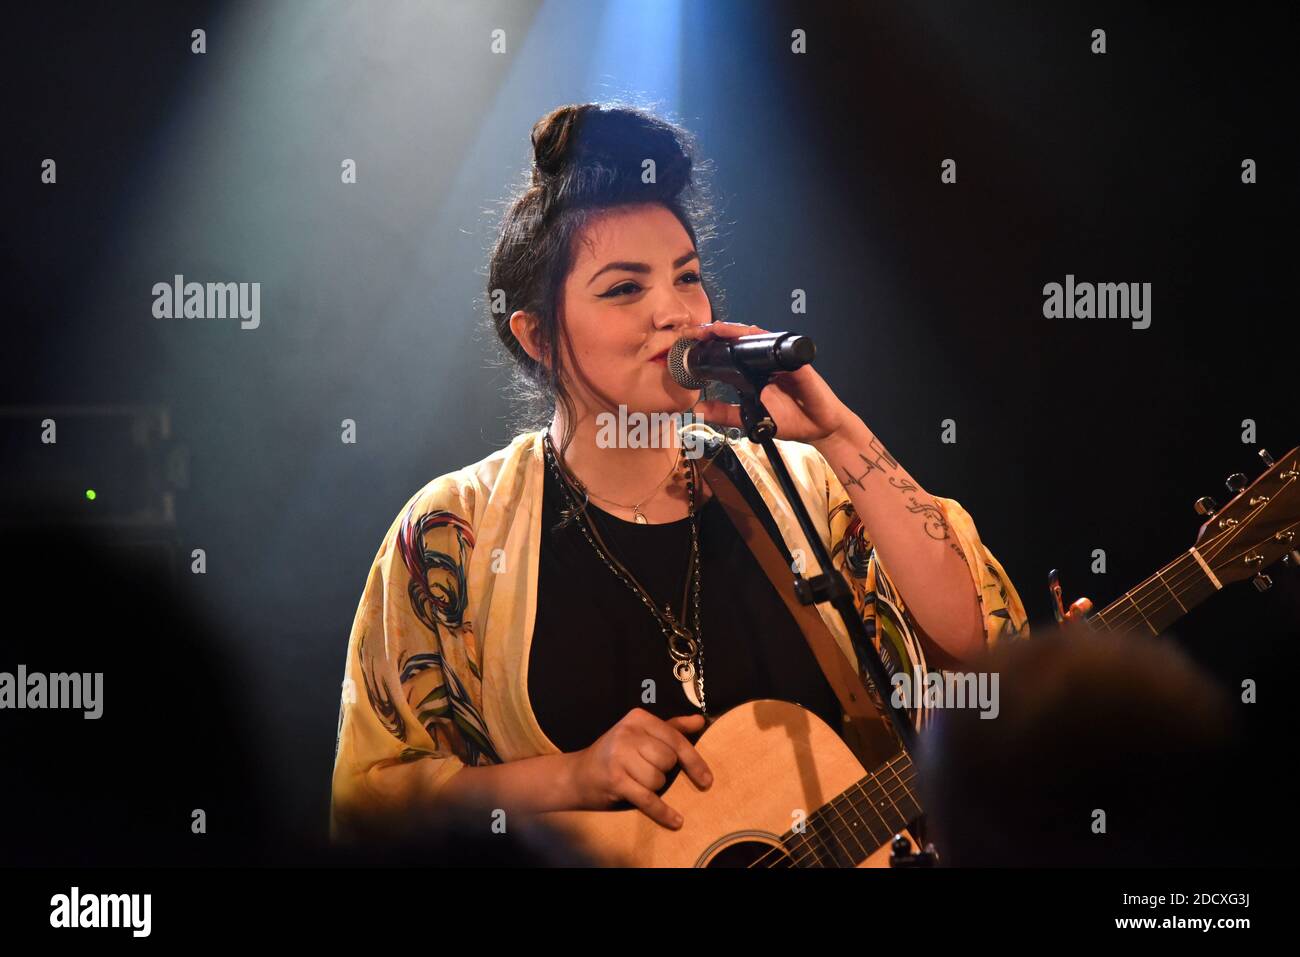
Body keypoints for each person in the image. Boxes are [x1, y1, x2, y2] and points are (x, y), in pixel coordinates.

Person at [329, 102, 1029, 847]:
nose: (675, 312)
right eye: (625, 288)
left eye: (687, 277)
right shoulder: (452, 534)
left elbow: (978, 642)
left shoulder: (800, 486)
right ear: (535, 335)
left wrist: (838, 434)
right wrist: (572, 775)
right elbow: (373, 802)